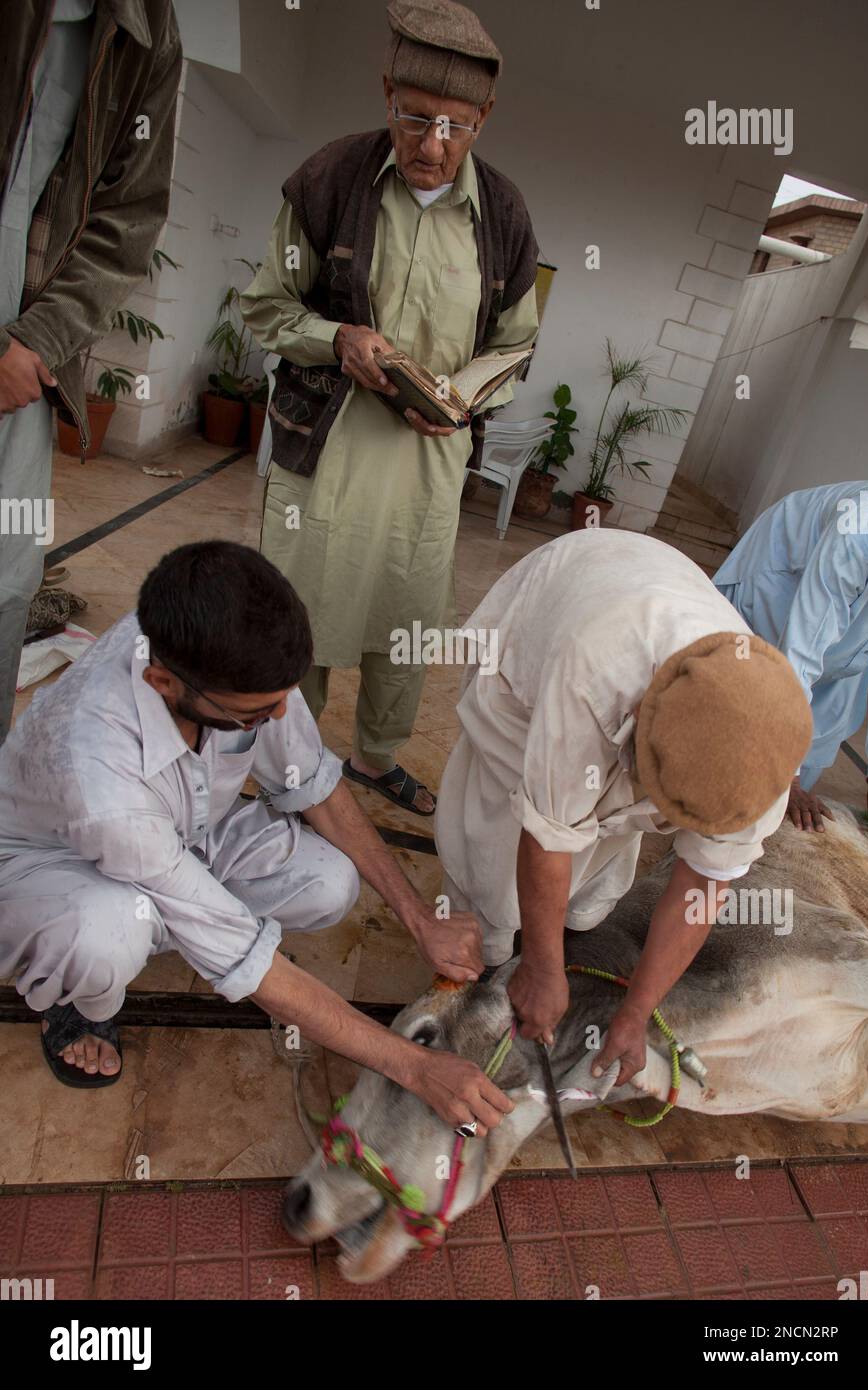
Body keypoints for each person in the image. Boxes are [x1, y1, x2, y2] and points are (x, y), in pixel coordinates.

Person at [0, 542, 511, 1137]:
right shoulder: (98, 774)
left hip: (185, 833)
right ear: (162, 682)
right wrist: (418, 1067)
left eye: (279, 702)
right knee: (105, 936)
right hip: (53, 865)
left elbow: (315, 786)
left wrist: (420, 916)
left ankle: (175, 921)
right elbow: (246, 957)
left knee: (330, 882)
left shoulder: (225, 647)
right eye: (251, 716)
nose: (273, 721)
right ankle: (74, 997)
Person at [240, 0, 540, 817]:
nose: (432, 146)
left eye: (456, 127)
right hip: (325, 456)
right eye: (415, 119)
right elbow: (265, 306)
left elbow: (516, 344)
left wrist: (457, 395)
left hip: (427, 465)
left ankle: (373, 761)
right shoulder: (330, 178)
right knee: (304, 607)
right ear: (386, 96)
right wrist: (337, 337)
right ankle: (287, 761)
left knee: (402, 618)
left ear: (484, 120)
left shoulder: (504, 218)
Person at [434, 529, 813, 1085]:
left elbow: (701, 888)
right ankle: (486, 952)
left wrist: (635, 1016)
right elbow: (547, 834)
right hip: (575, 593)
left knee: (602, 851)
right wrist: (542, 970)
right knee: (494, 837)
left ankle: (562, 931)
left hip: (651, 598)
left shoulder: (763, 758)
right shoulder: (594, 673)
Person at [0, 0, 182, 742]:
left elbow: (125, 223)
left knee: (9, 574)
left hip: (22, 349)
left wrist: (37, 342)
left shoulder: (150, 30)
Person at [714, 481, 868, 832]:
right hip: (778, 592)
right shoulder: (862, 528)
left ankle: (749, 845)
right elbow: (800, 651)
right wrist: (783, 778)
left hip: (846, 640)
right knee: (730, 727)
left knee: (818, 737)